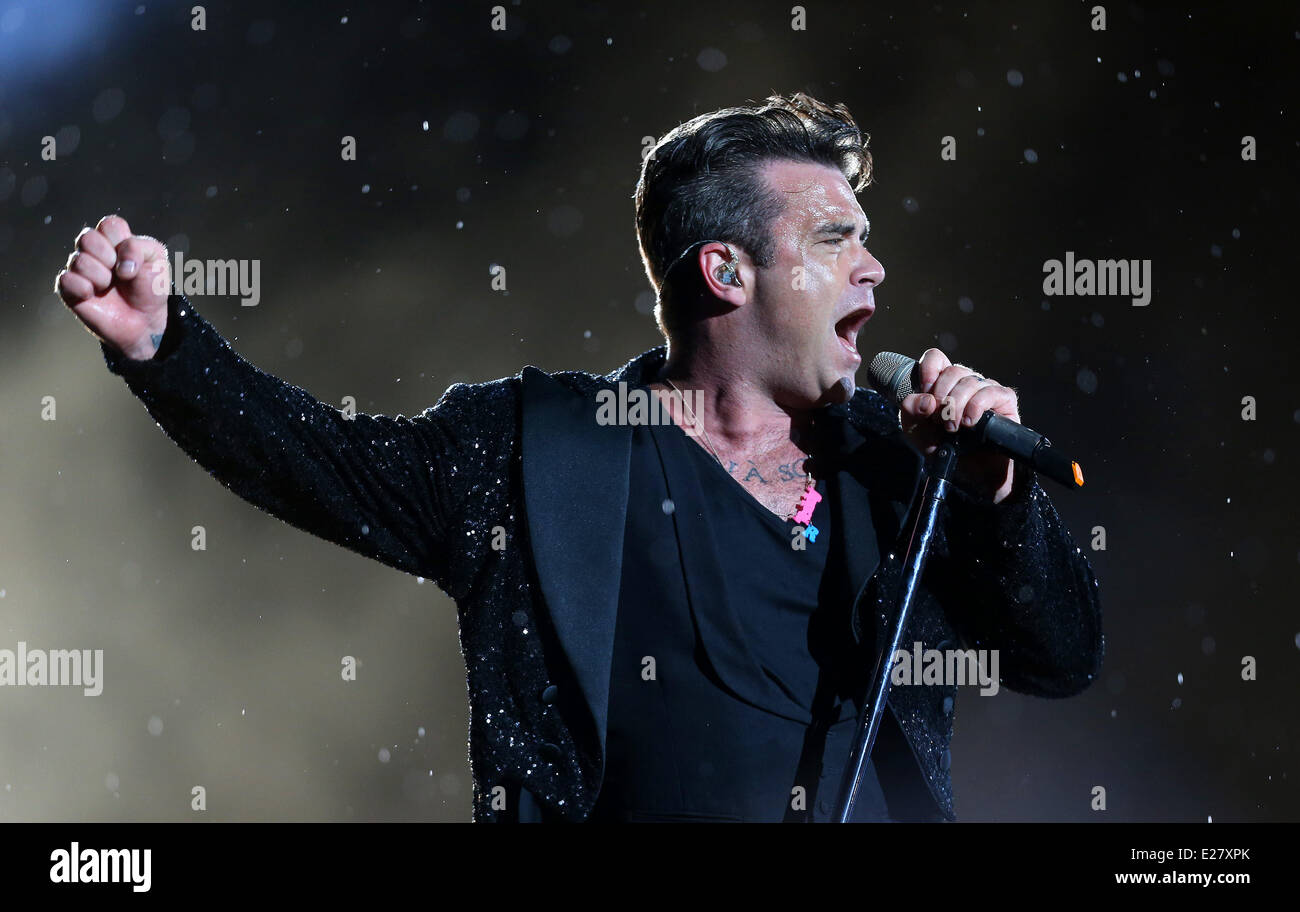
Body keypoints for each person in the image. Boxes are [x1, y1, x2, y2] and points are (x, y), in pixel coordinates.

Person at [54, 92, 1102, 822]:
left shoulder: (906, 467)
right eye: (834, 238)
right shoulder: (541, 455)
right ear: (725, 271)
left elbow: (1059, 657)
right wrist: (164, 347)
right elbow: (322, 463)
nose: (874, 264)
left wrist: (996, 492)